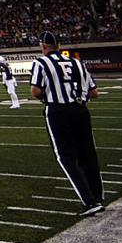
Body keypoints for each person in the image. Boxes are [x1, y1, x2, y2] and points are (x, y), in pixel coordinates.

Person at [30, 31, 103, 215]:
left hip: (58, 111)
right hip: (81, 111)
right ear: (59, 46)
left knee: (65, 156)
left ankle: (89, 202)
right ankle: (98, 197)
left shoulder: (41, 62)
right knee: (88, 154)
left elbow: (35, 91)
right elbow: (94, 93)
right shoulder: (77, 63)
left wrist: (50, 93)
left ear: (43, 46)